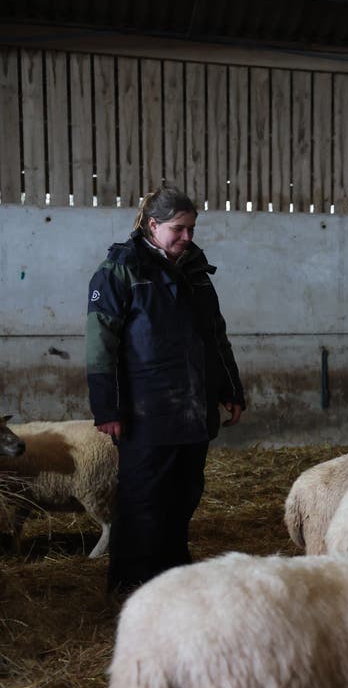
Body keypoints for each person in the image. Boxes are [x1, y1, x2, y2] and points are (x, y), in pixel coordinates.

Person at [86, 186, 246, 597]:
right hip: (146, 411)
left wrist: (230, 387)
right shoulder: (120, 271)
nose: (187, 238)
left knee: (184, 494)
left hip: (193, 408)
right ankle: (130, 586)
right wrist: (108, 408)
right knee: (143, 499)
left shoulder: (195, 271)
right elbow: (100, 345)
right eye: (179, 229)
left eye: (192, 228)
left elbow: (215, 335)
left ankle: (173, 580)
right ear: (152, 225)